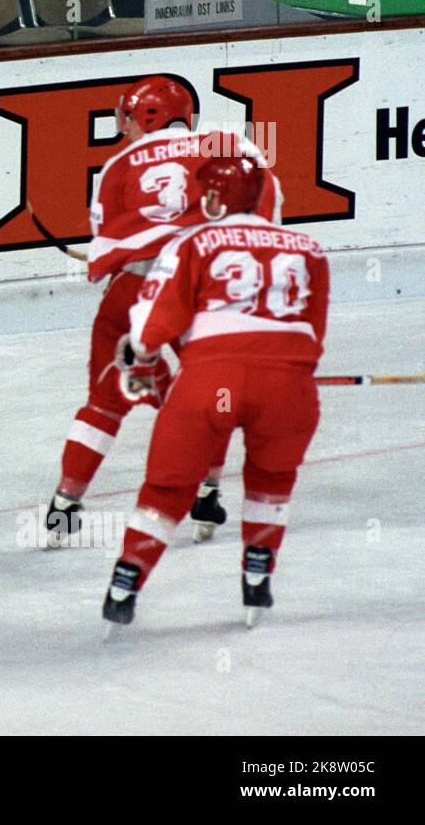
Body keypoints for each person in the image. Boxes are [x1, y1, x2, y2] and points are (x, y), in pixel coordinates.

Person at [44, 76, 283, 545]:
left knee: (105, 402)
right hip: (202, 287)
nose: (125, 127)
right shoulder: (227, 145)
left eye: (129, 117)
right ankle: (207, 496)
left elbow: (106, 241)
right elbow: (267, 203)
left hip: (136, 288)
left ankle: (64, 509)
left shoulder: (118, 165)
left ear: (147, 117)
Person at [103, 156, 328, 627]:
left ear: (212, 199)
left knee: (167, 487)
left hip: (211, 383)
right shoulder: (309, 248)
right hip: (288, 388)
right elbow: (313, 333)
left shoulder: (193, 241)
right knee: (272, 481)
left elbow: (149, 328)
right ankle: (256, 577)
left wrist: (141, 356)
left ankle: (126, 582)